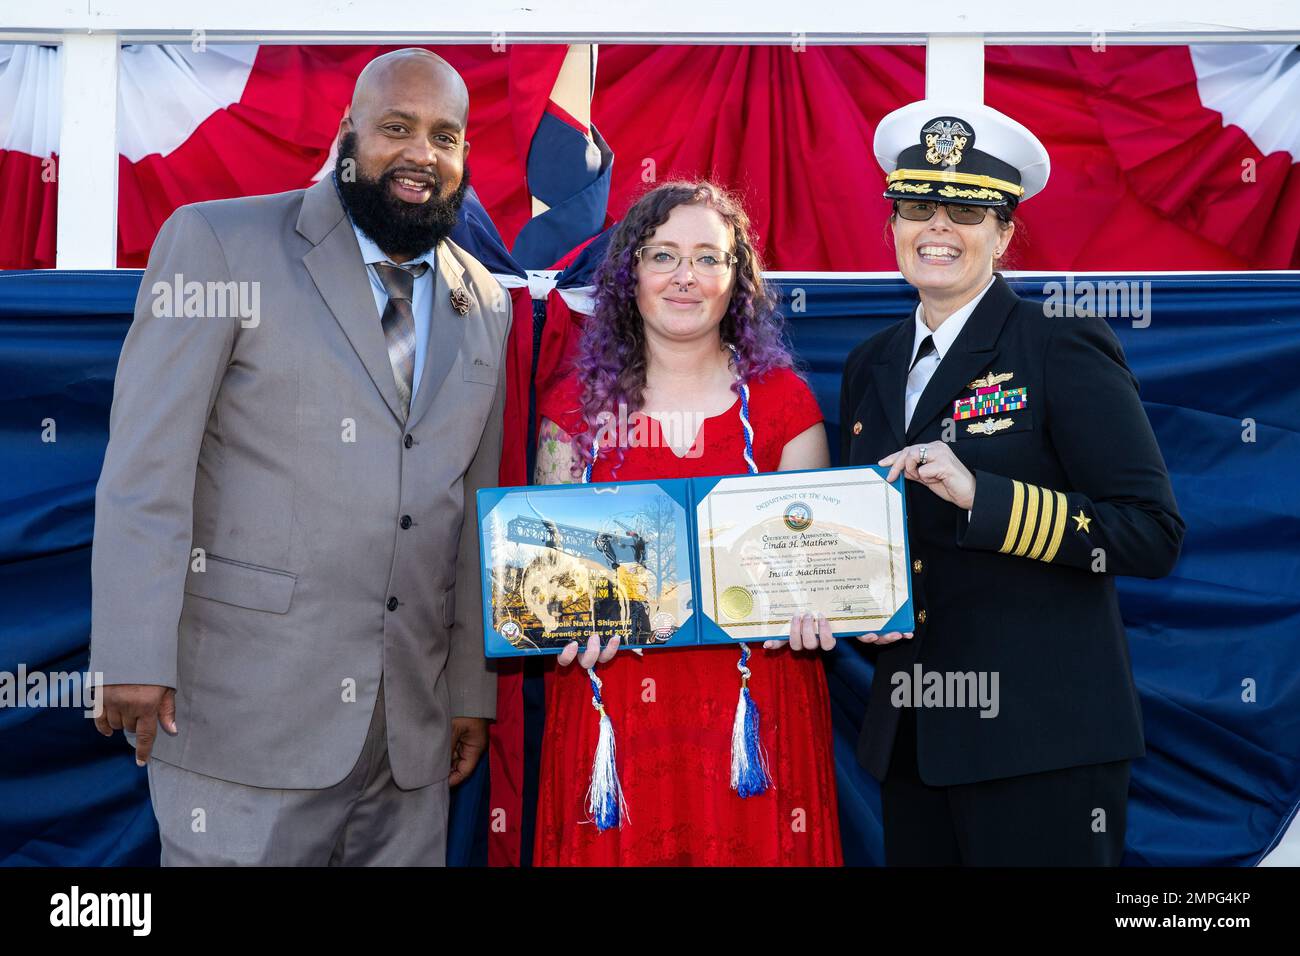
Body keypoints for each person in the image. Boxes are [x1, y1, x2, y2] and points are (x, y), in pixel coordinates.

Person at [88, 49, 509, 866]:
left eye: (445, 136)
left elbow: (470, 505)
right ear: (347, 132)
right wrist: (134, 655)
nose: (422, 154)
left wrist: (467, 690)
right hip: (245, 719)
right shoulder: (219, 243)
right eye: (396, 128)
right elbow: (147, 469)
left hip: (407, 742)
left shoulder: (483, 298)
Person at [839, 100, 1185, 865]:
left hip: (1043, 744)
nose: (938, 228)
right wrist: (852, 600)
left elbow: (1152, 533)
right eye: (917, 207)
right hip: (914, 740)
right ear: (892, 224)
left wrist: (983, 498)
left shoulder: (1059, 346)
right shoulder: (871, 363)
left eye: (966, 209)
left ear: (1003, 233)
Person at [532, 181, 843, 865]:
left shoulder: (784, 405)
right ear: (630, 274)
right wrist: (563, 626)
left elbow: (816, 572)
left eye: (709, 258)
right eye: (664, 254)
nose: (685, 277)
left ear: (737, 280)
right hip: (609, 705)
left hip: (754, 708)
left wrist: (821, 611)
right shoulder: (572, 411)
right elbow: (543, 584)